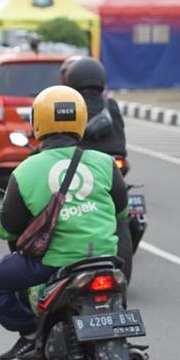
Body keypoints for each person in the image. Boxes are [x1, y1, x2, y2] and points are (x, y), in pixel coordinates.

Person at [0, 85, 128, 360]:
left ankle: (30, 333)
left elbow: (9, 228)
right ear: (81, 120)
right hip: (107, 258)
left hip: (55, 262)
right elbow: (121, 212)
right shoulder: (104, 163)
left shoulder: (27, 169)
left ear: (37, 122)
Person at [61, 56, 132, 276]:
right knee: (123, 216)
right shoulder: (110, 105)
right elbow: (121, 140)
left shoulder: (70, 105)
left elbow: (61, 141)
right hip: (114, 169)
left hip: (81, 172)